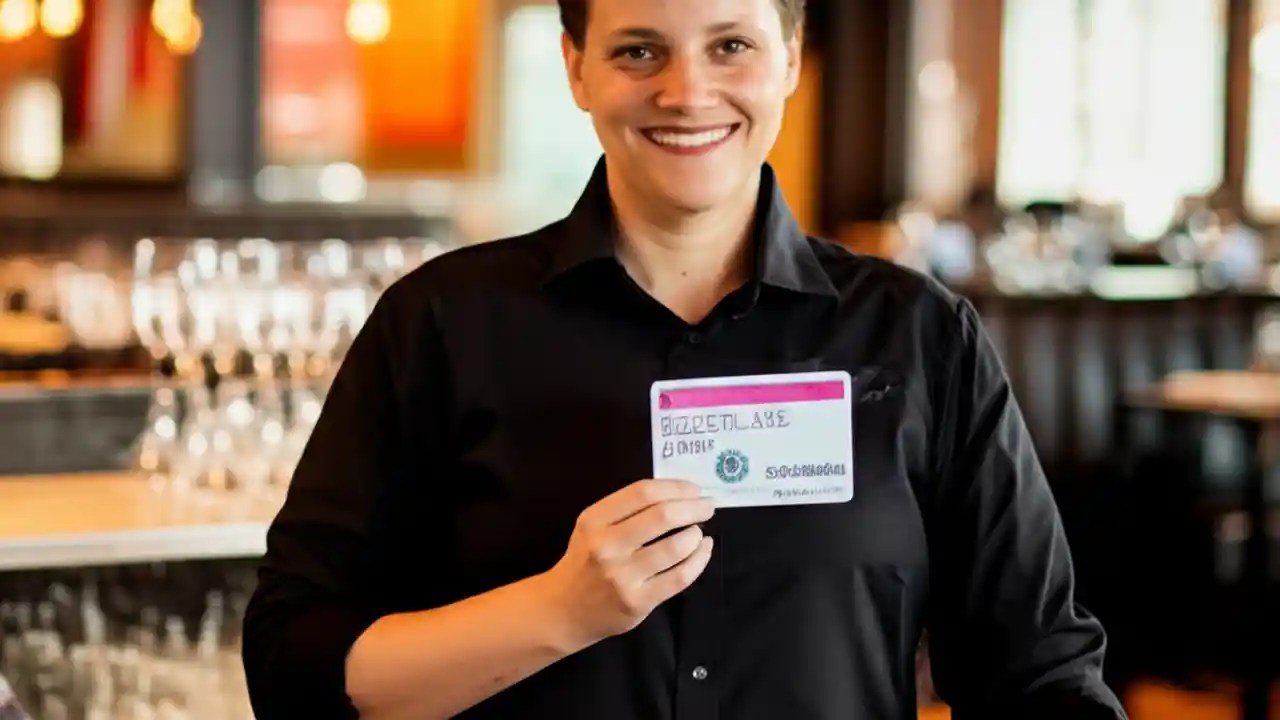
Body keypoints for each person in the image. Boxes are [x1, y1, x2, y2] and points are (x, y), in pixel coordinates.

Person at [242, 0, 1129, 718]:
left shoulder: (919, 336)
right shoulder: (439, 324)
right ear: (575, 67)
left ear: (790, 55)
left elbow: (1038, 671)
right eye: (638, 52)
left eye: (731, 45)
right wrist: (555, 613)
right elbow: (293, 664)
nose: (686, 91)